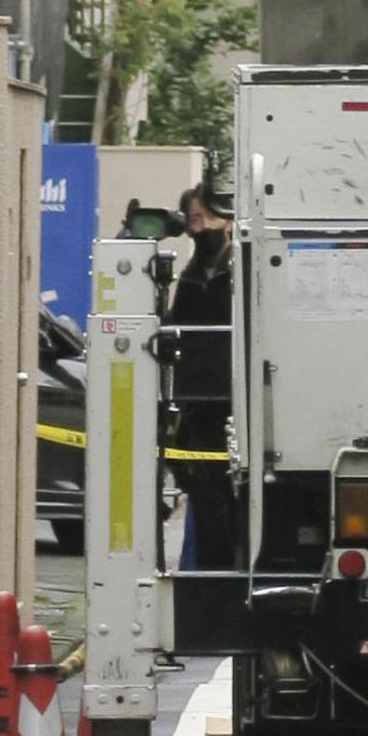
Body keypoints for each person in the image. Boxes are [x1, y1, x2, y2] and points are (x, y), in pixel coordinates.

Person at [163, 181, 238, 570]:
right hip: (199, 412)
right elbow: (177, 334)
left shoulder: (244, 271)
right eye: (194, 219)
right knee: (207, 500)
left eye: (207, 216)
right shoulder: (190, 278)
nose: (201, 227)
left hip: (237, 405)